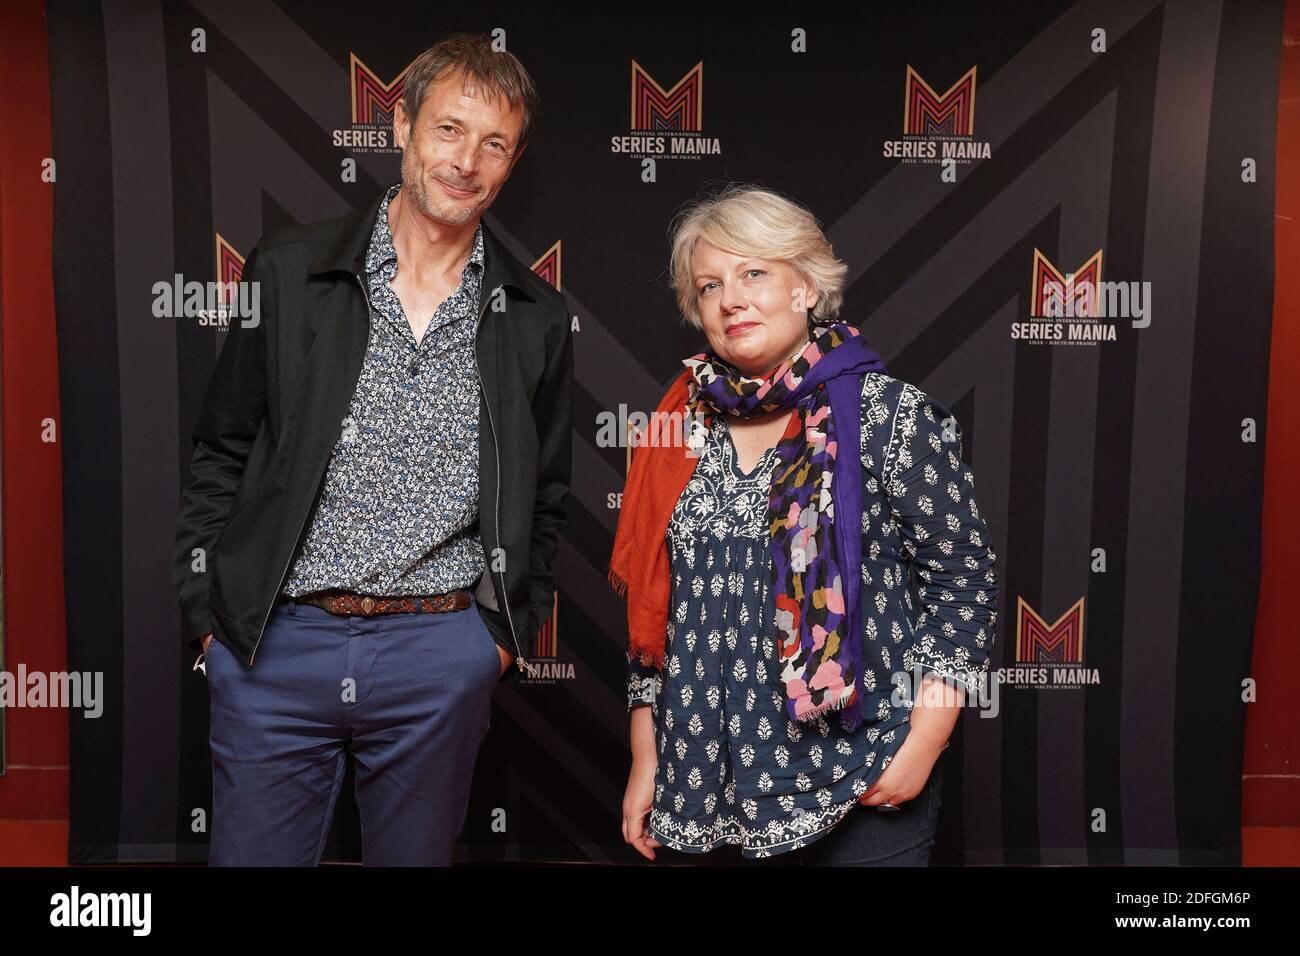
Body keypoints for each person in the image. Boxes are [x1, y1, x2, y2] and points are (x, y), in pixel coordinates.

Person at [172, 33, 573, 866]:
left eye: (493, 143)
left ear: (514, 161)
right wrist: (209, 617)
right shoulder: (290, 271)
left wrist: (495, 641)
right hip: (276, 644)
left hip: (437, 655)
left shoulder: (534, 315)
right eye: (449, 129)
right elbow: (222, 447)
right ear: (402, 126)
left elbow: (545, 494)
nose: (465, 161)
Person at [613, 184, 997, 865]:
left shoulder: (890, 418)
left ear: (807, 283)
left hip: (858, 776)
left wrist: (924, 743)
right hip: (702, 792)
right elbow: (655, 615)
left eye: (754, 272)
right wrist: (648, 758)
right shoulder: (675, 429)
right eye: (709, 285)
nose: (731, 298)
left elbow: (964, 584)